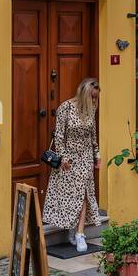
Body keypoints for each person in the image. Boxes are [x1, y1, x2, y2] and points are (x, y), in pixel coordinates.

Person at [42, 77, 101, 253]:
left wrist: (97, 155)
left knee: (83, 194)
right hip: (68, 159)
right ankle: (71, 227)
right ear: (83, 93)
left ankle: (80, 233)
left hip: (86, 158)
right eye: (91, 96)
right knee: (69, 195)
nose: (94, 100)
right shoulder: (65, 108)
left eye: (96, 97)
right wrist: (63, 158)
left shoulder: (92, 109)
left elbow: (92, 134)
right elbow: (59, 135)